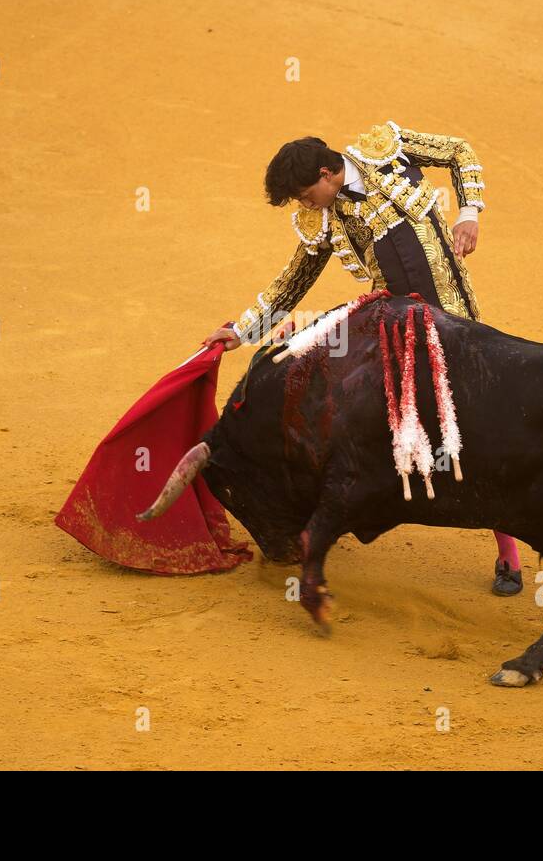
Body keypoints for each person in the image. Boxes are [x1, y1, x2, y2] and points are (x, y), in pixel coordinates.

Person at [202, 120, 523, 595]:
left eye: (306, 192)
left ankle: (510, 557)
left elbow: (459, 150)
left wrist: (469, 212)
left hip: (459, 323)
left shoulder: (386, 151)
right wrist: (240, 331)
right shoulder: (324, 221)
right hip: (396, 333)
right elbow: (292, 283)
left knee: (476, 433)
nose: (304, 204)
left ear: (330, 172)